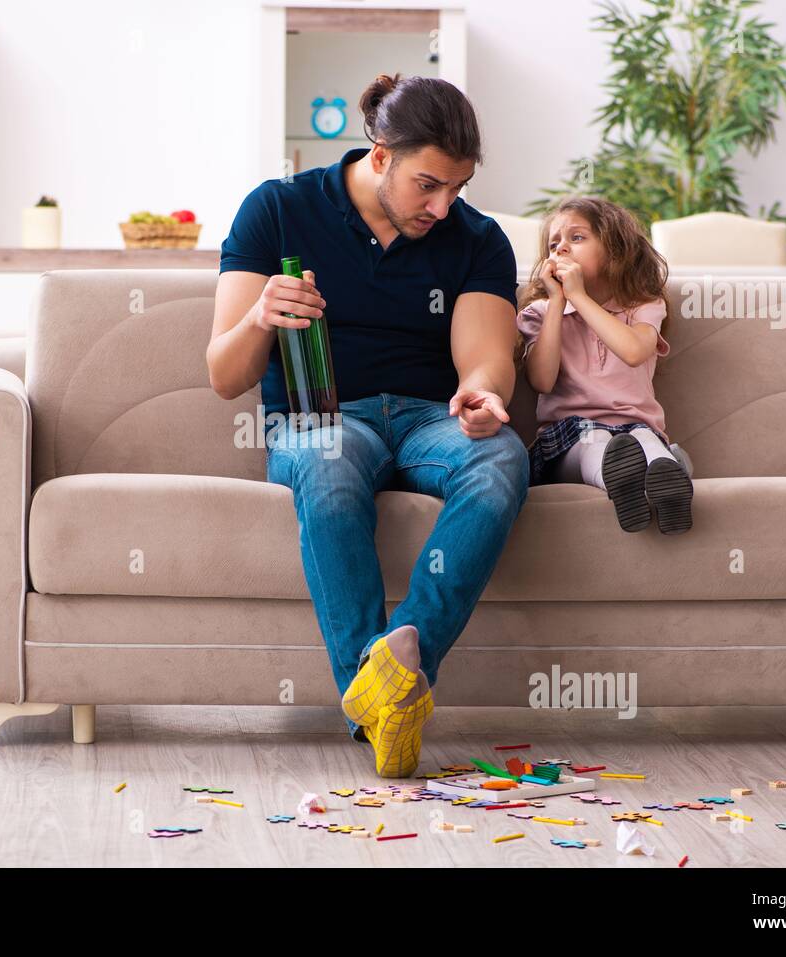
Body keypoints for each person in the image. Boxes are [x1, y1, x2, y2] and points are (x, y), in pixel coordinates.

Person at [206, 73, 528, 777]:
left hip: (427, 418)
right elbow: (224, 375)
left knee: (502, 457)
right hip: (322, 417)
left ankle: (388, 673)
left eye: (458, 189)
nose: (443, 207)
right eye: (429, 185)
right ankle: (386, 700)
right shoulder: (279, 210)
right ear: (380, 156)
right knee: (327, 458)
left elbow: (486, 358)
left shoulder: (477, 240)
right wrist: (262, 314)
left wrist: (482, 392)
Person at [517, 196, 694, 534]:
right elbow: (541, 380)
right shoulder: (539, 312)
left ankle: (668, 479)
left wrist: (580, 298)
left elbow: (632, 351)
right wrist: (558, 302)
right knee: (594, 439)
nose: (561, 249)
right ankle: (621, 481)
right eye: (554, 244)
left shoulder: (643, 306)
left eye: (577, 238)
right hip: (568, 437)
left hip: (635, 426)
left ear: (615, 250)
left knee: (644, 438)